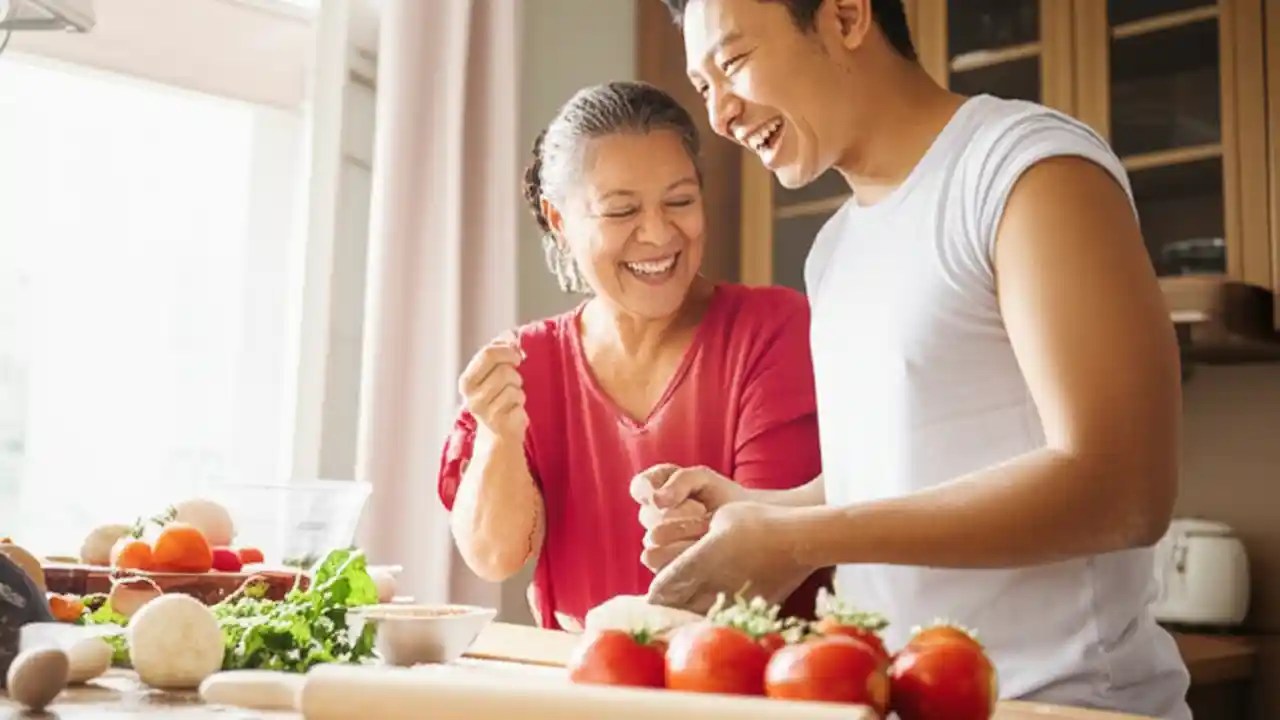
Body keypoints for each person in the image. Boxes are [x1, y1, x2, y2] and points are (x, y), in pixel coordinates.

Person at [635, 1, 1191, 718]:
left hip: (1062, 704)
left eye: (734, 62)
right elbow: (890, 474)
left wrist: (796, 539)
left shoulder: (1025, 168)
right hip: (895, 698)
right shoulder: (834, 250)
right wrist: (753, 511)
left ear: (845, 15)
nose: (720, 115)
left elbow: (1124, 489)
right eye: (704, 85)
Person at [437, 80, 826, 632]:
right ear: (559, 220)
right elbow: (493, 557)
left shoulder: (772, 331)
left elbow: (764, 567)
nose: (658, 234)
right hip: (583, 690)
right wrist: (497, 436)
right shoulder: (528, 363)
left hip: (743, 689)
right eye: (621, 211)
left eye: (680, 202)